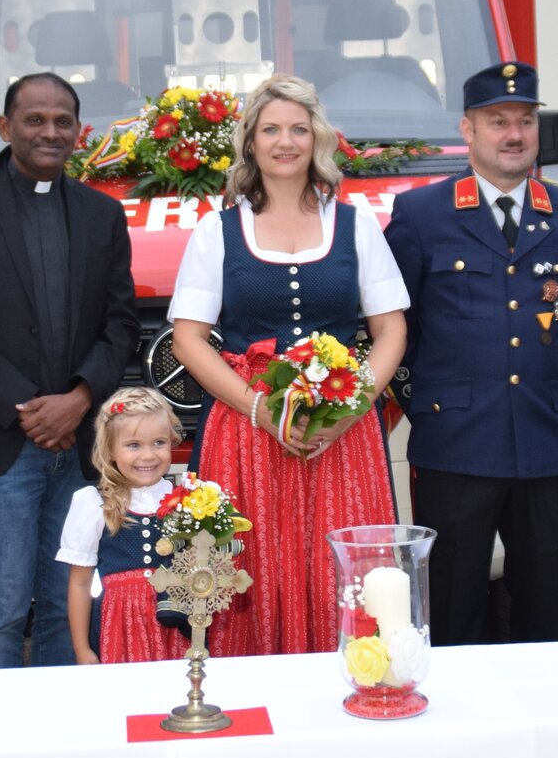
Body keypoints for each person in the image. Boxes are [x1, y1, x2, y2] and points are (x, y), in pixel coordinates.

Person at [171, 74, 408, 656]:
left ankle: (360, 678)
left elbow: (390, 329)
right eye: (271, 129)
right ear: (250, 142)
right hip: (247, 428)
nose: (286, 141)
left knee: (341, 564)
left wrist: (351, 411)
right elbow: (188, 339)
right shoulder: (217, 231)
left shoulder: (355, 225)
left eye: (298, 129)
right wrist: (259, 407)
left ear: (317, 139)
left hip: (341, 430)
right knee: (258, 562)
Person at [0, 73, 140, 669]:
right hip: (2, 443)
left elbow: (121, 323)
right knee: (4, 607)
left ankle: (61, 735)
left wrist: (79, 397)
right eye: (35, 120)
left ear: (78, 131)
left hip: (82, 445)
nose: (50, 131)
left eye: (62, 121)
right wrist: (29, 407)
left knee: (70, 603)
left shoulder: (102, 214)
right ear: (5, 127)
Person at [385, 61, 558, 645]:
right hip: (454, 443)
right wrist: (428, 405)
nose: (514, 133)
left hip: (544, 443)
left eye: (526, 121)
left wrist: (557, 386)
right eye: (498, 120)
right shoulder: (421, 214)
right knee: (453, 609)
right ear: (468, 130)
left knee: (542, 607)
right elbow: (389, 327)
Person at [57, 386, 190, 664]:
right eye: (133, 445)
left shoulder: (186, 500)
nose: (148, 456)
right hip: (117, 626)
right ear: (110, 449)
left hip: (174, 623)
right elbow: (80, 584)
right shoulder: (94, 504)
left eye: (159, 442)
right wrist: (82, 650)